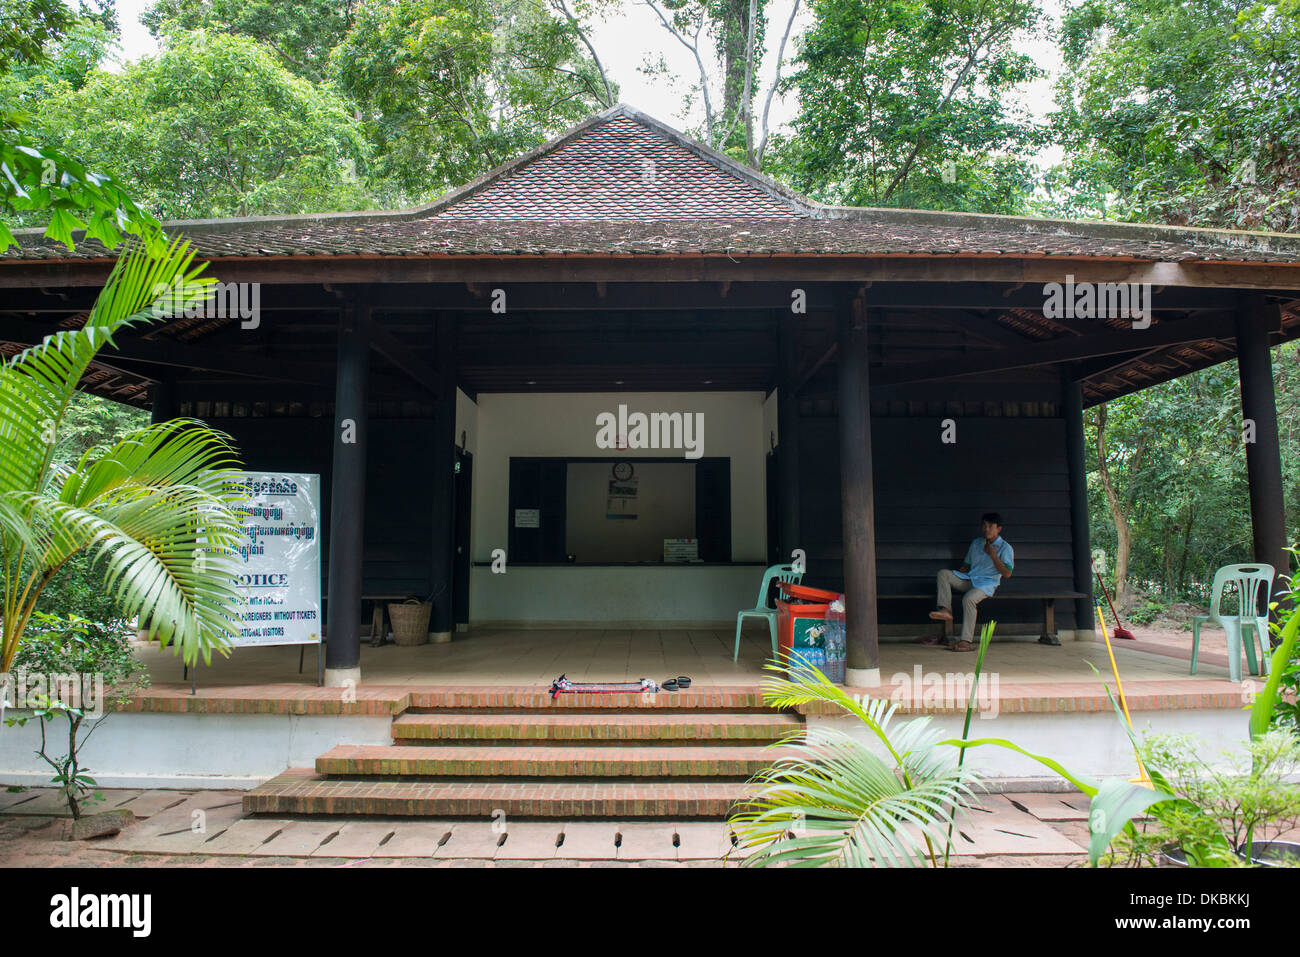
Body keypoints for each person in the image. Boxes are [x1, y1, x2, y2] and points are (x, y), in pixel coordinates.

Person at [919, 513, 1014, 652]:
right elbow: (966, 567)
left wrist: (993, 555)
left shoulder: (1005, 548)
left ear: (999, 529)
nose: (986, 529)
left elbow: (1007, 573)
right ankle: (945, 609)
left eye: (990, 526)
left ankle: (965, 642)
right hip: (969, 578)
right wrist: (954, 580)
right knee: (944, 574)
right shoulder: (976, 543)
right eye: (984, 526)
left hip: (986, 584)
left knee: (968, 599)